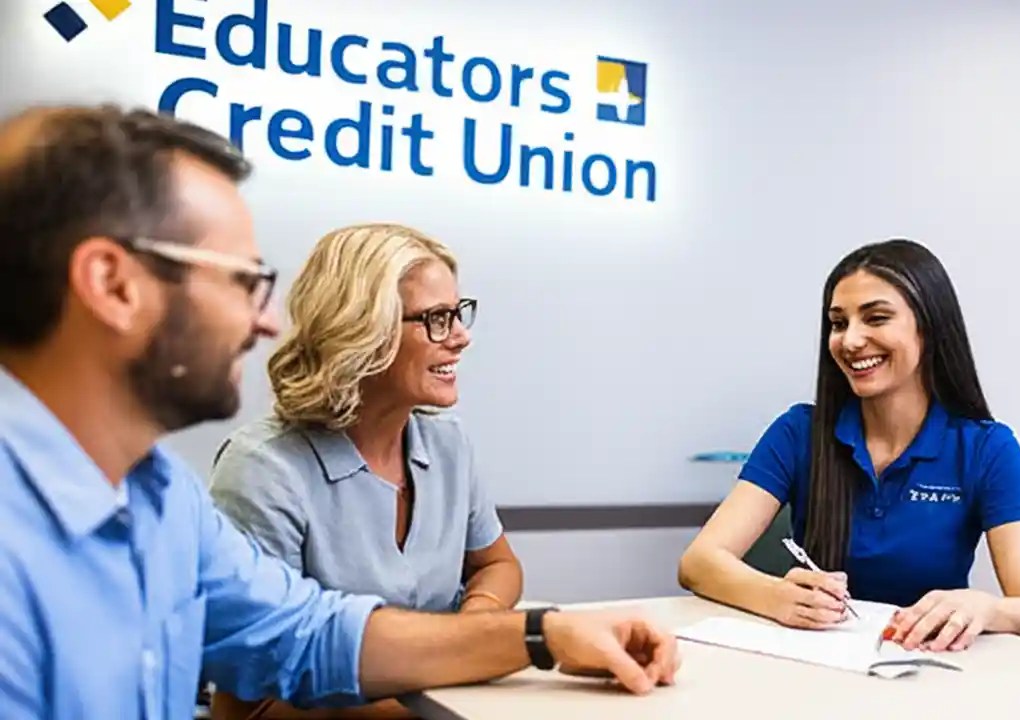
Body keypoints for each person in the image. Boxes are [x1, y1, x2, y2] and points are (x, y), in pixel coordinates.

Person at [0, 104, 678, 719]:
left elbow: (311, 634)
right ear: (113, 285)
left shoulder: (161, 496)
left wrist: (545, 634)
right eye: (242, 281)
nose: (268, 322)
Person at [678, 239, 1020, 652]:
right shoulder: (797, 432)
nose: (851, 340)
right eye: (838, 323)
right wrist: (774, 596)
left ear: (928, 329)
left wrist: (986, 608)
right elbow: (698, 562)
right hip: (814, 668)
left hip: (926, 675)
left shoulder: (988, 448)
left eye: (875, 318)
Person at [208, 224, 523, 718]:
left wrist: (475, 629)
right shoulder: (265, 468)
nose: (461, 337)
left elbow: (497, 566)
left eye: (458, 314)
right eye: (437, 319)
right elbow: (245, 707)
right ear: (362, 330)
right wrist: (437, 704)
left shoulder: (448, 444)